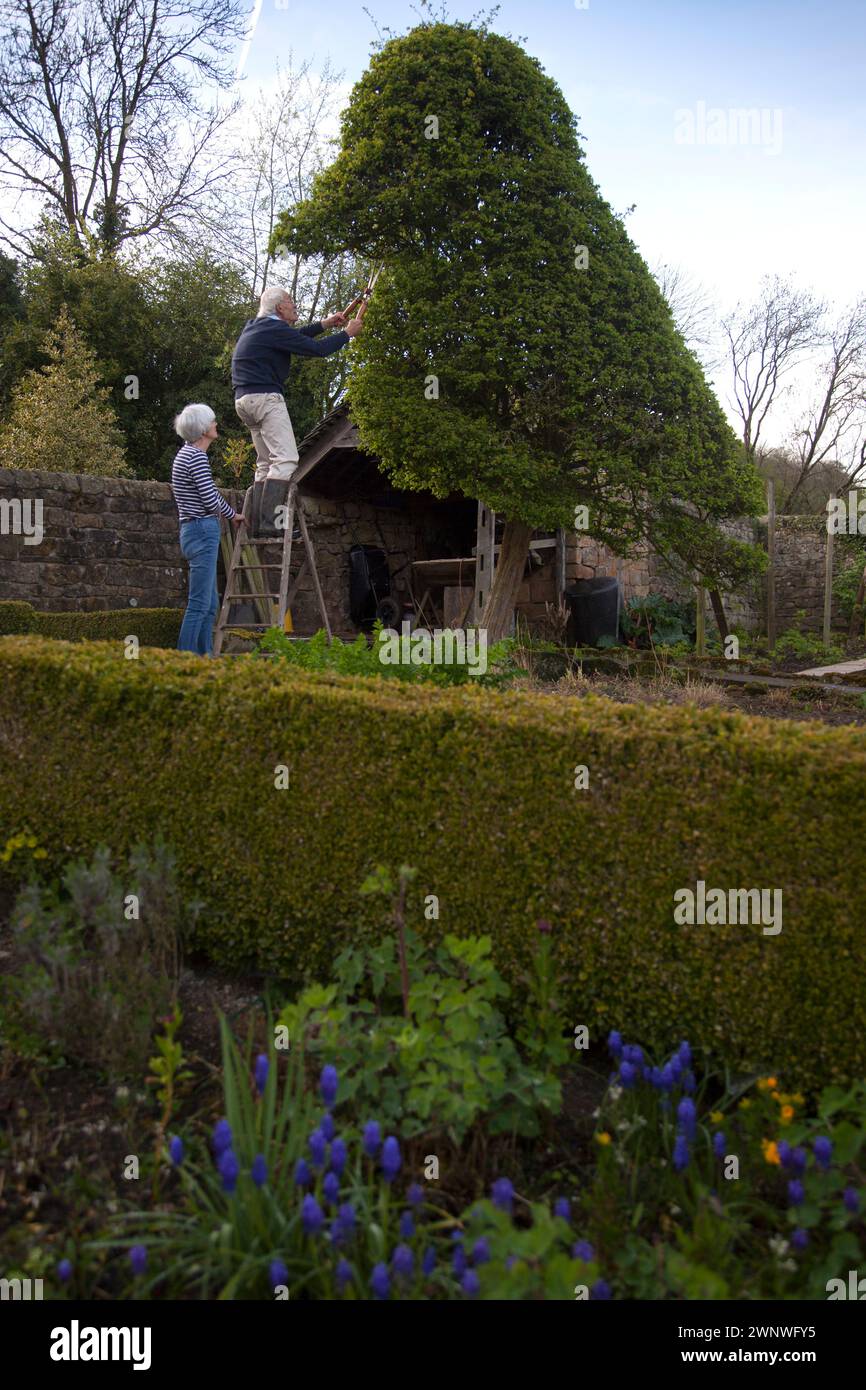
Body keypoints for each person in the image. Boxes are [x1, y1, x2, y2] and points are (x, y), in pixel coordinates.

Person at [231, 287, 364, 536]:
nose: (294, 306)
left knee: (265, 463)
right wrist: (347, 334)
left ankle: (258, 527)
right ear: (280, 307)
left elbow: (296, 337)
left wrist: (324, 324)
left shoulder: (256, 326)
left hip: (244, 401)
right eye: (290, 301)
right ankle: (272, 525)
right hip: (266, 398)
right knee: (286, 460)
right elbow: (318, 350)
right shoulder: (275, 330)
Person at [171, 403, 243, 657]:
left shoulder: (184, 455)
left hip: (192, 530)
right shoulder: (196, 458)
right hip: (202, 529)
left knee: (211, 603)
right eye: (212, 422)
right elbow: (210, 498)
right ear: (203, 429)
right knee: (200, 602)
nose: (215, 424)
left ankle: (204, 657)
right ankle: (185, 658)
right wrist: (234, 515)